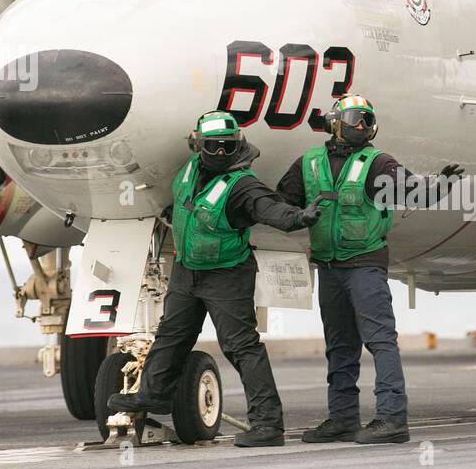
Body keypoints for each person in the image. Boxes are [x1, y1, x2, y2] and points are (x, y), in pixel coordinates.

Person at [110, 111, 320, 447]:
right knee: (172, 335)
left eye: (227, 146)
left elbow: (268, 208)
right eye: (214, 146)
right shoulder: (191, 169)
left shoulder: (241, 185)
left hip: (227, 274)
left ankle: (268, 425)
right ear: (198, 145)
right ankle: (154, 395)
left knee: (241, 347)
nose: (221, 153)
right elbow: (183, 203)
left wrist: (298, 217)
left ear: (238, 145)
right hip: (188, 270)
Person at [278, 95, 464, 445]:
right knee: (339, 346)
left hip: (365, 265)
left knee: (380, 342)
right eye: (354, 118)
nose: (361, 125)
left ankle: (392, 419)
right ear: (335, 122)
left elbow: (412, 194)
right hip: (330, 267)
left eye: (367, 119)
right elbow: (282, 202)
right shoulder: (309, 163)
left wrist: (439, 186)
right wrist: (296, 216)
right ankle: (343, 419)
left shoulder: (378, 162)